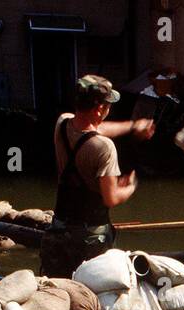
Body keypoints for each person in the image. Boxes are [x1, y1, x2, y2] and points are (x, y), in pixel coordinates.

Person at [39, 75, 150, 278]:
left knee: (59, 287)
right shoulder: (104, 148)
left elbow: (94, 130)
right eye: (107, 106)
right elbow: (111, 198)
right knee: (94, 291)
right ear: (99, 108)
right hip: (89, 238)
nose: (109, 110)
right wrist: (129, 186)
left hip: (59, 229)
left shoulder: (62, 123)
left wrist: (132, 126)